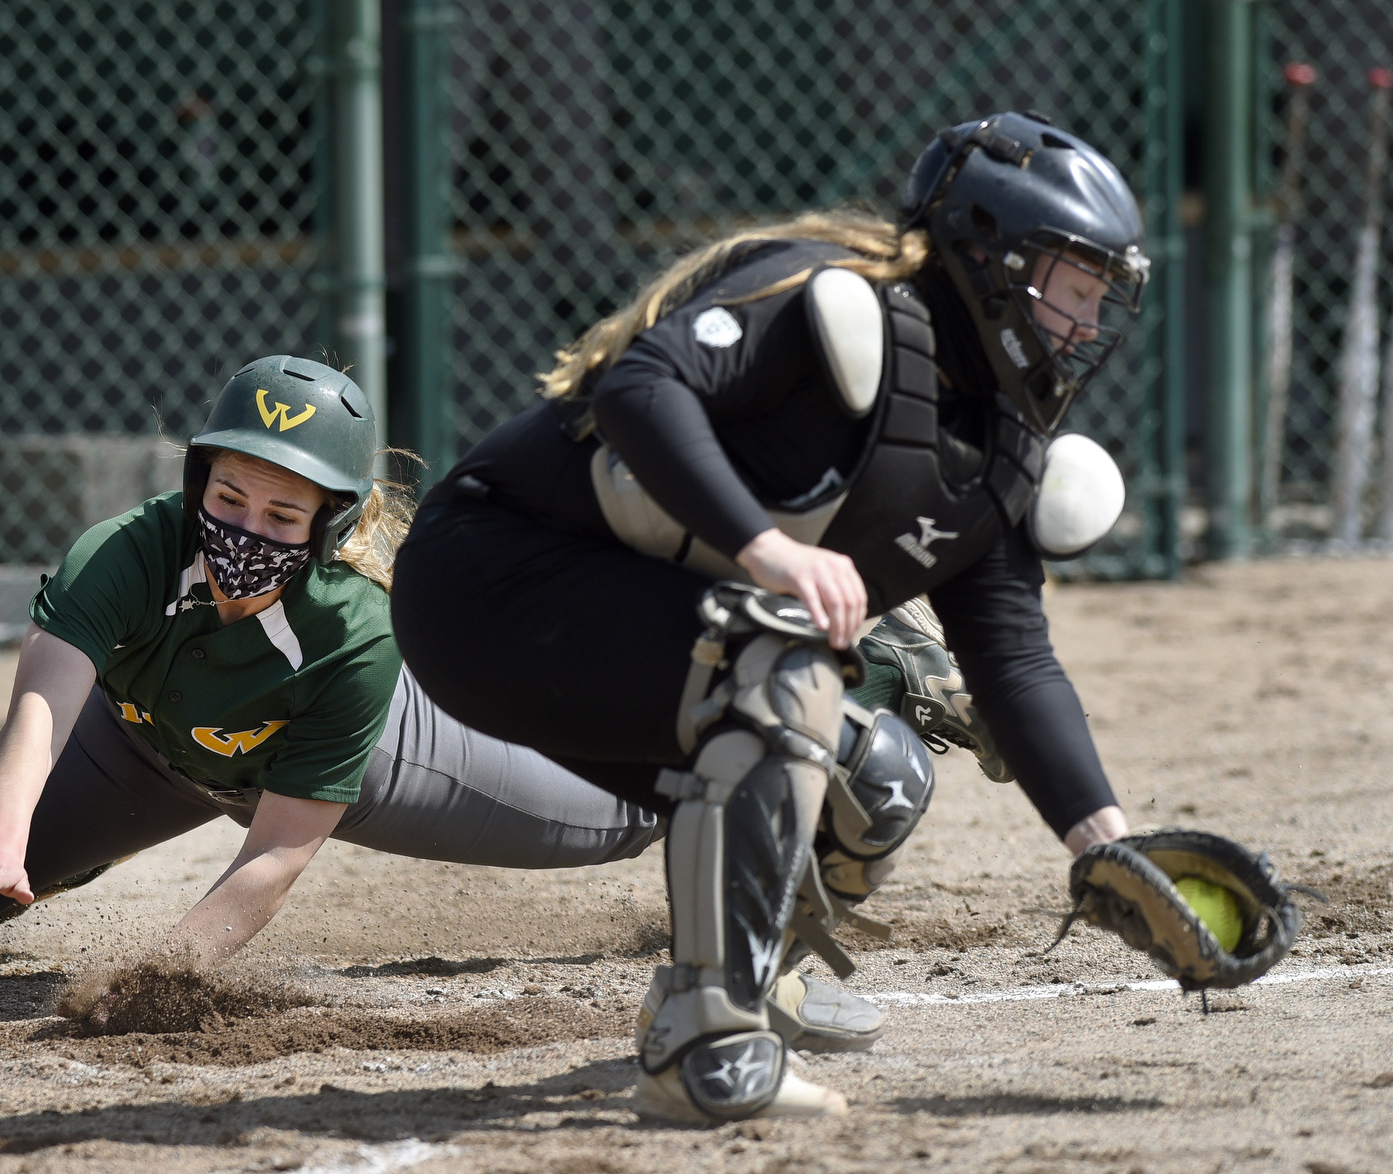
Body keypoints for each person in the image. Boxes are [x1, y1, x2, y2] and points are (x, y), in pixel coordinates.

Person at [390, 111, 1149, 1121]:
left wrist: (1109, 846)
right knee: (780, 670)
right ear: (994, 256)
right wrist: (773, 549)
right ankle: (703, 1044)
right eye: (1076, 287)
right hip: (487, 578)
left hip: (622, 621)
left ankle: (751, 975)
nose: (1087, 322)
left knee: (877, 776)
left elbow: (1013, 659)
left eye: (1101, 297)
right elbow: (639, 386)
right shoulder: (838, 300)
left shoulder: (997, 437)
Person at [0, 357, 665, 974]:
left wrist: (162, 974)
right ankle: (87, 845)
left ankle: (714, 776)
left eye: (284, 514)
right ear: (198, 482)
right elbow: (40, 713)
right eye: (229, 498)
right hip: (142, 745)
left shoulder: (354, 633)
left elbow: (279, 848)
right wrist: (6, 841)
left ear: (330, 521)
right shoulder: (126, 551)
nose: (247, 529)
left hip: (360, 757)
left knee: (628, 809)